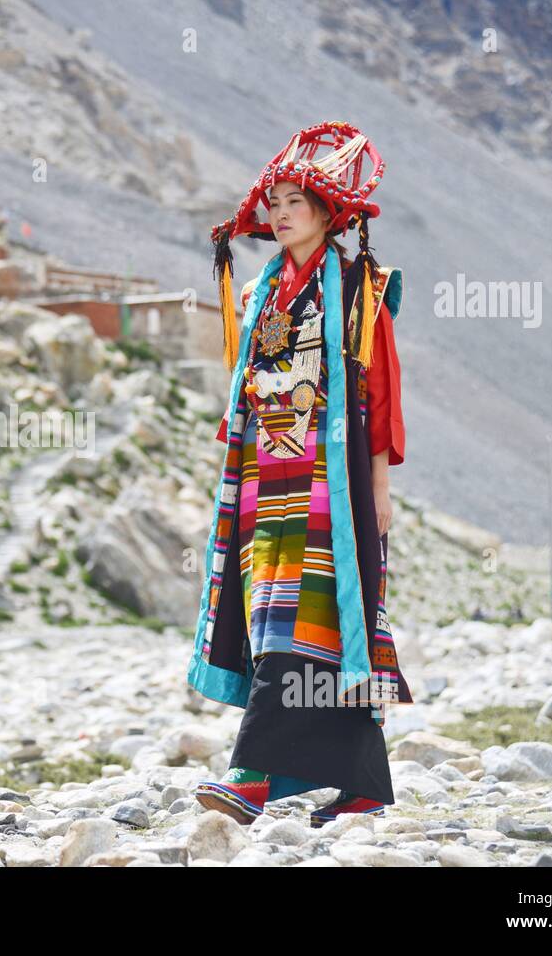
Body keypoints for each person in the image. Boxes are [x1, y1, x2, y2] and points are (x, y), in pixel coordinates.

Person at [188, 122, 413, 829]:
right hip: (266, 478)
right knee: (277, 617)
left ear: (326, 211)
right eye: (274, 202)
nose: (281, 213)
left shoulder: (359, 290)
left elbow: (377, 392)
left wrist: (378, 489)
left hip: (329, 483)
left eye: (296, 201)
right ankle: (364, 779)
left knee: (304, 615)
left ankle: (251, 774)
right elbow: (244, 388)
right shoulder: (260, 292)